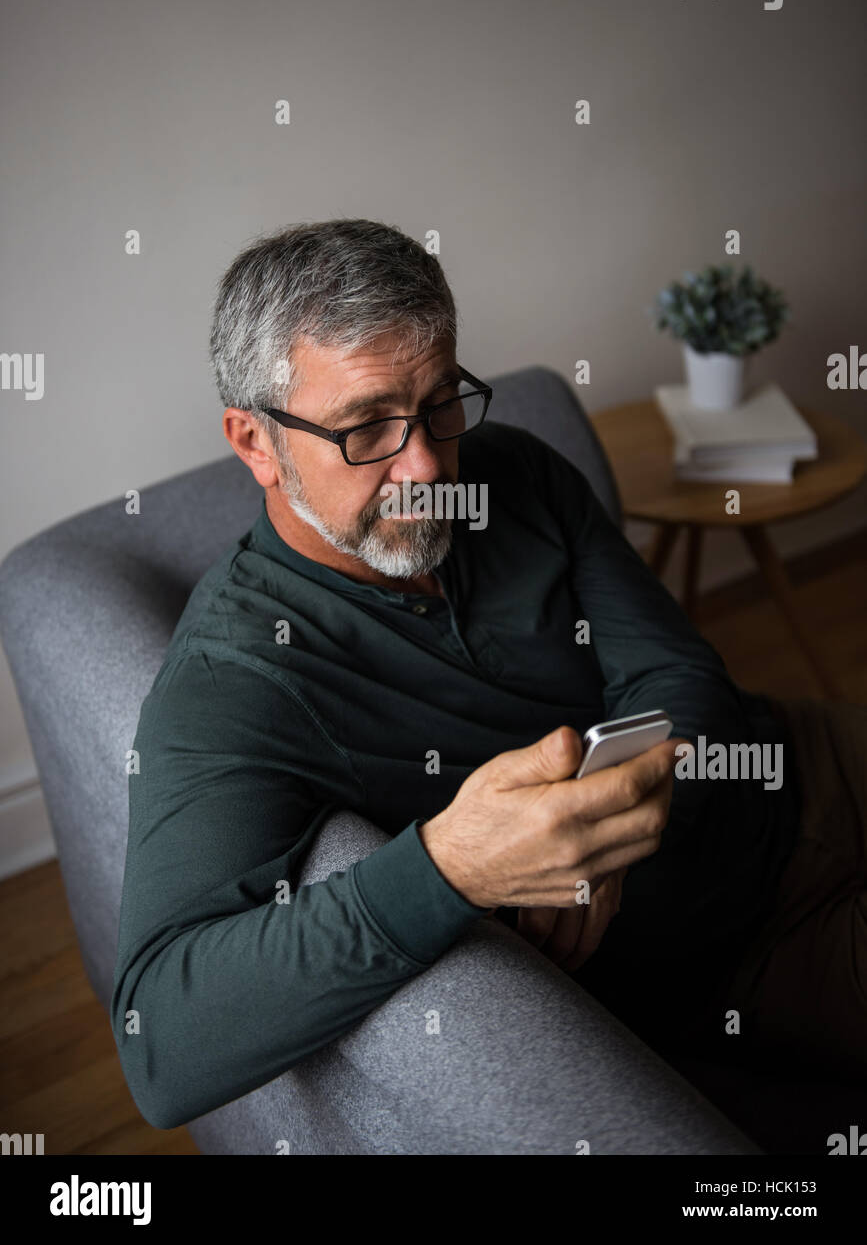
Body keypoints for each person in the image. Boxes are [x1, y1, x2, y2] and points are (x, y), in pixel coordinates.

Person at [112, 218, 815, 1132]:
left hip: (804, 758)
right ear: (255, 444)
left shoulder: (515, 471)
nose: (427, 466)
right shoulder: (237, 678)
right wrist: (451, 867)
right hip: (761, 944)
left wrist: (599, 832)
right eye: (366, 427)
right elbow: (159, 1044)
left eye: (441, 404)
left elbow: (678, 672)